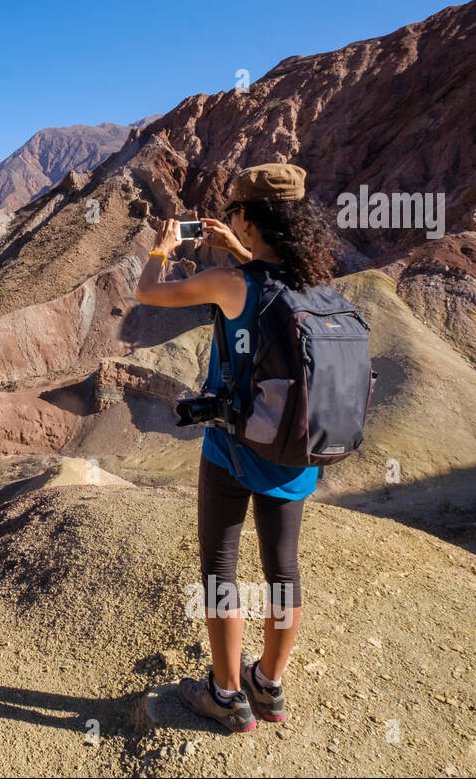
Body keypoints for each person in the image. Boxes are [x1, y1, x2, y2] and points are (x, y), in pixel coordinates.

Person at [134, 162, 338, 733]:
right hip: (296, 453)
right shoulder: (318, 288)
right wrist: (241, 250)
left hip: (233, 450)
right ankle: (268, 686)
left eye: (234, 213)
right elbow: (272, 289)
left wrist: (163, 248)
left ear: (246, 217)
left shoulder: (232, 284)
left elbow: (148, 292)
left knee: (221, 568)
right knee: (283, 569)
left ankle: (224, 695)